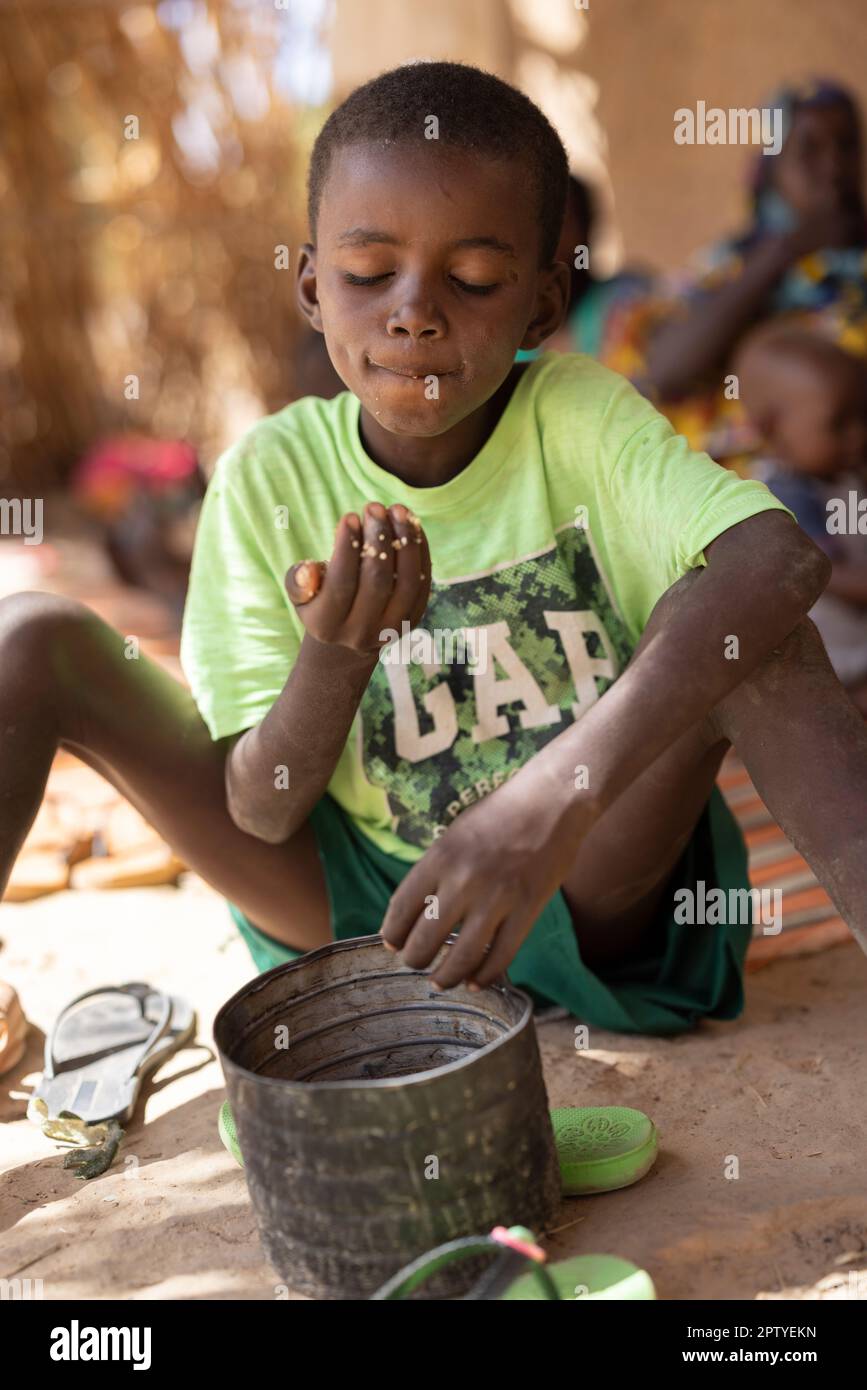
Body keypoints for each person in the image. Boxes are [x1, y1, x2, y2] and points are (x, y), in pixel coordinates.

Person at [2, 62, 867, 1038]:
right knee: (27, 636)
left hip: (576, 888)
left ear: (542, 303)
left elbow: (783, 561)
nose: (414, 310)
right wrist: (333, 658)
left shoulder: (575, 414)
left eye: (474, 278)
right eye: (370, 273)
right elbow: (264, 808)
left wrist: (545, 800)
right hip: (363, 911)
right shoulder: (268, 476)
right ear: (312, 285)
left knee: (748, 625)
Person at [641, 79, 867, 460]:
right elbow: (666, 371)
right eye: (809, 150)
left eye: (847, 147)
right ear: (772, 165)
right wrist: (787, 250)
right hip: (738, 497)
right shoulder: (729, 265)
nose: (833, 167)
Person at [735, 325, 867, 711]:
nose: (857, 434)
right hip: (833, 657)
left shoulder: (843, 472)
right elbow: (827, 571)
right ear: (772, 430)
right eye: (838, 424)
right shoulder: (782, 494)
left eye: (861, 414)